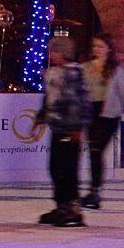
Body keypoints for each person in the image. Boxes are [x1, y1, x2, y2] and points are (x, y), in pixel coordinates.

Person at [35, 37, 91, 228]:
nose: (51, 55)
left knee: (67, 170)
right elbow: (50, 99)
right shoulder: (54, 73)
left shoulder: (74, 73)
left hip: (70, 129)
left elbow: (78, 102)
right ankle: (61, 204)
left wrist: (77, 127)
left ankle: (72, 208)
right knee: (55, 168)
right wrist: (41, 117)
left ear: (64, 53)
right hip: (57, 128)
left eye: (55, 51)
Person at [84, 34, 124, 211]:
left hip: (108, 116)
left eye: (100, 46)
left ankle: (95, 191)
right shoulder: (85, 68)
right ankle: (94, 190)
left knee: (96, 149)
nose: (97, 50)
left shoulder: (116, 71)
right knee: (93, 152)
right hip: (91, 114)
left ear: (108, 49)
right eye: (95, 46)